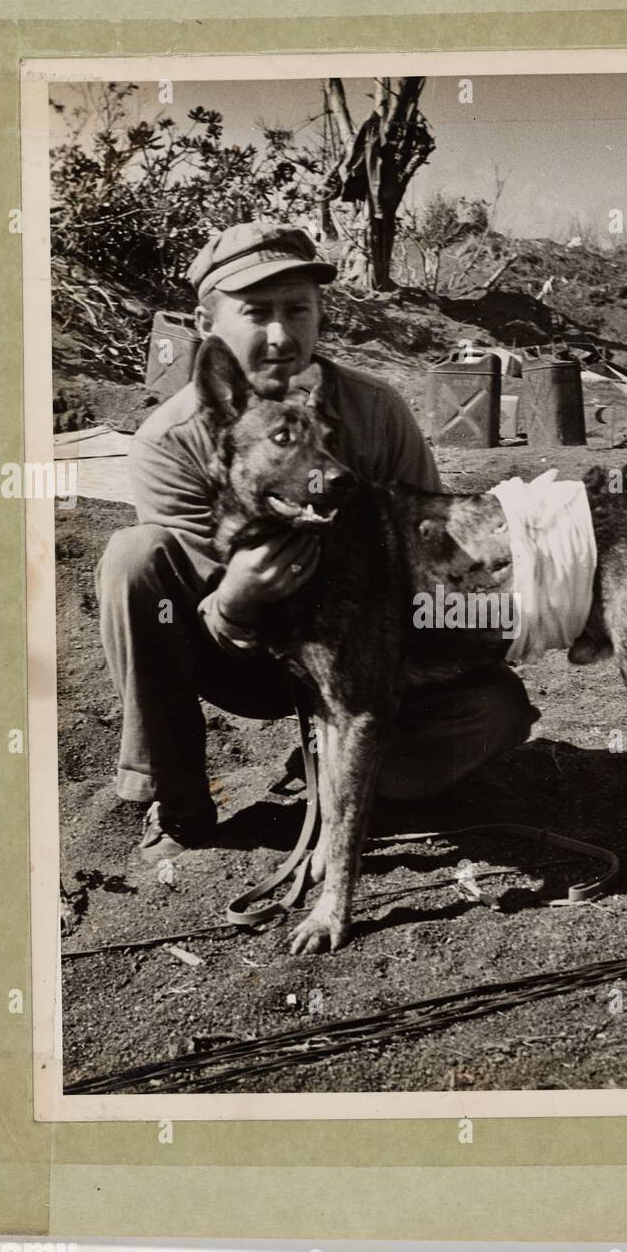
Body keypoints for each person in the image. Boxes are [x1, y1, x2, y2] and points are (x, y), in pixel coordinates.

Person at [96, 221, 538, 862]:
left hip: (367, 655)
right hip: (239, 657)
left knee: (494, 713)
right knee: (132, 560)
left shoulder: (375, 408)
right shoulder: (172, 439)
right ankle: (177, 796)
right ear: (204, 322)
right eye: (256, 313)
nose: (281, 335)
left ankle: (332, 764)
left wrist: (496, 617)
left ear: (320, 313)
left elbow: (433, 550)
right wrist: (238, 601)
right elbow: (193, 596)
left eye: (297, 309)